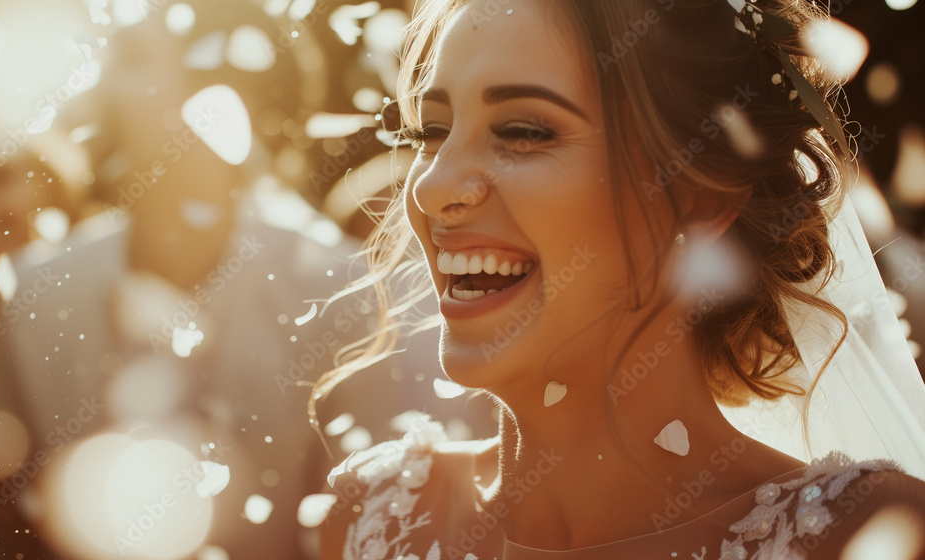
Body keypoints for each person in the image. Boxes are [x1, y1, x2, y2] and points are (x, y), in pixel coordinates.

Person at [314, 0, 925, 558]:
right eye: (432, 131)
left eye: (524, 132)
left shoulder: (853, 533)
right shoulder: (372, 516)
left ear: (699, 196)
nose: (430, 186)